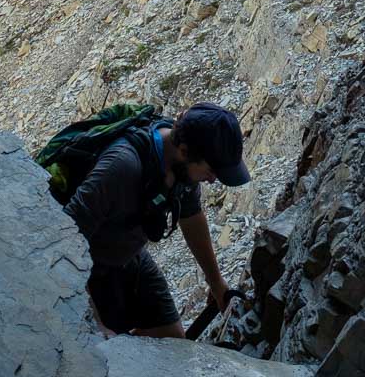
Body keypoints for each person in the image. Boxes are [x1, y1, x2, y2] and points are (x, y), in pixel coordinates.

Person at [64, 101, 251, 338]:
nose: (213, 180)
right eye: (211, 171)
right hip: (87, 265)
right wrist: (92, 322)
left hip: (128, 254)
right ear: (184, 151)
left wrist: (217, 284)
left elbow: (191, 216)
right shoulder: (121, 166)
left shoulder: (185, 167)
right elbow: (66, 240)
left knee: (172, 338)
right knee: (98, 345)